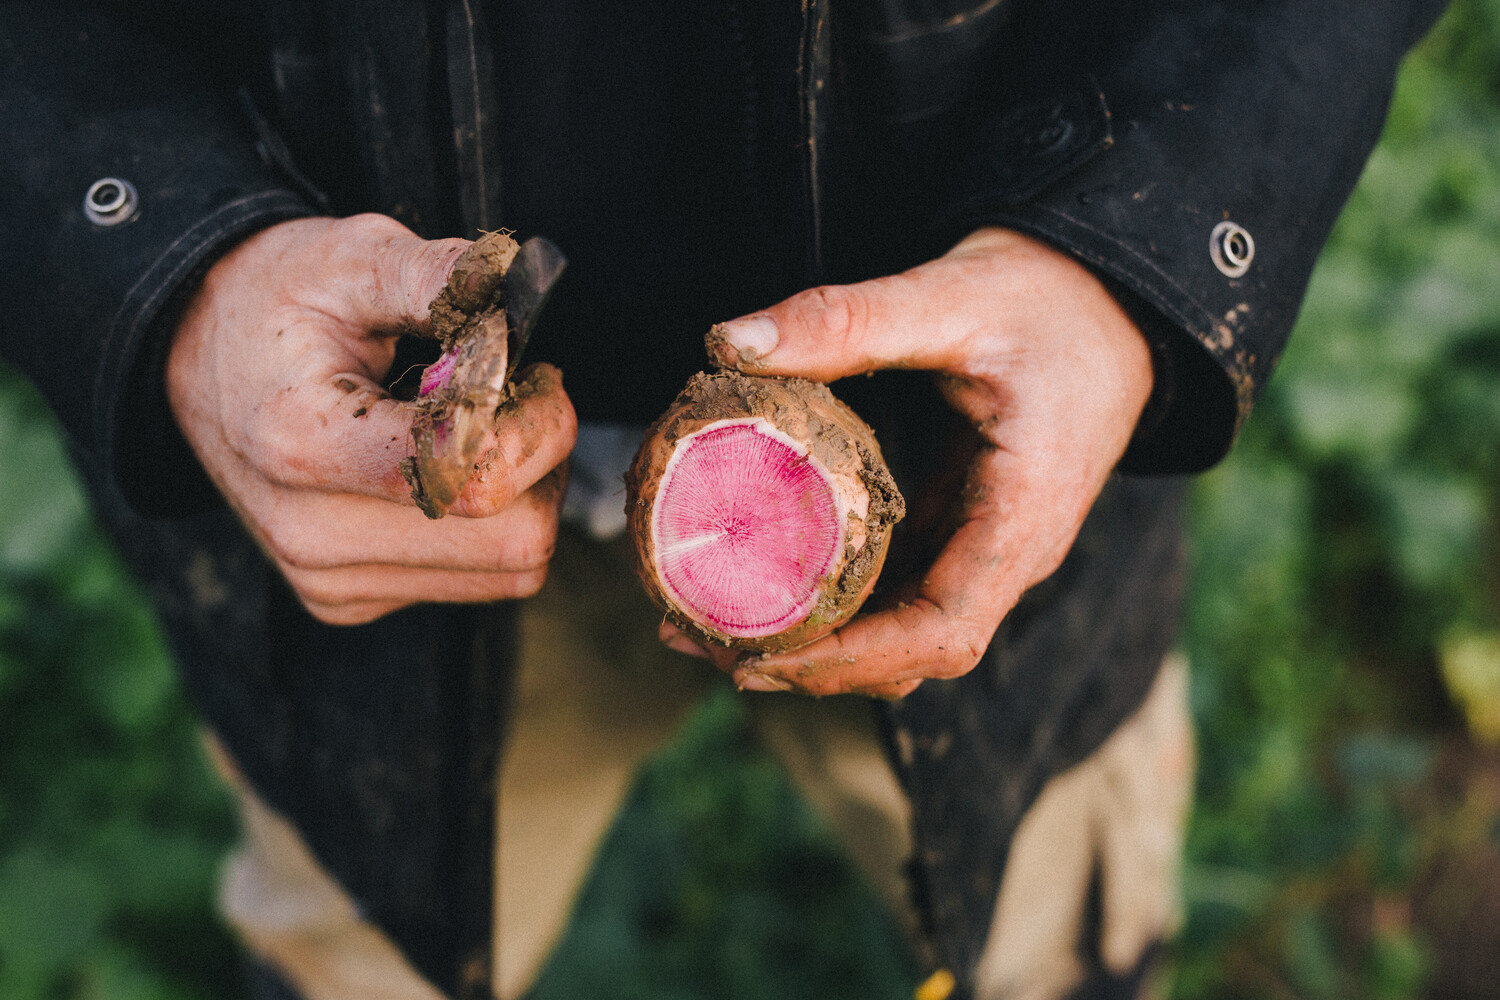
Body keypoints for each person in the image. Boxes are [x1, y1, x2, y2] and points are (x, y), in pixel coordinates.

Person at [0, 1, 1448, 998]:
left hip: (975, 441)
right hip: (362, 475)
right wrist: (161, 252)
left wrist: (1143, 254)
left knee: (1052, 920)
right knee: (357, 941)